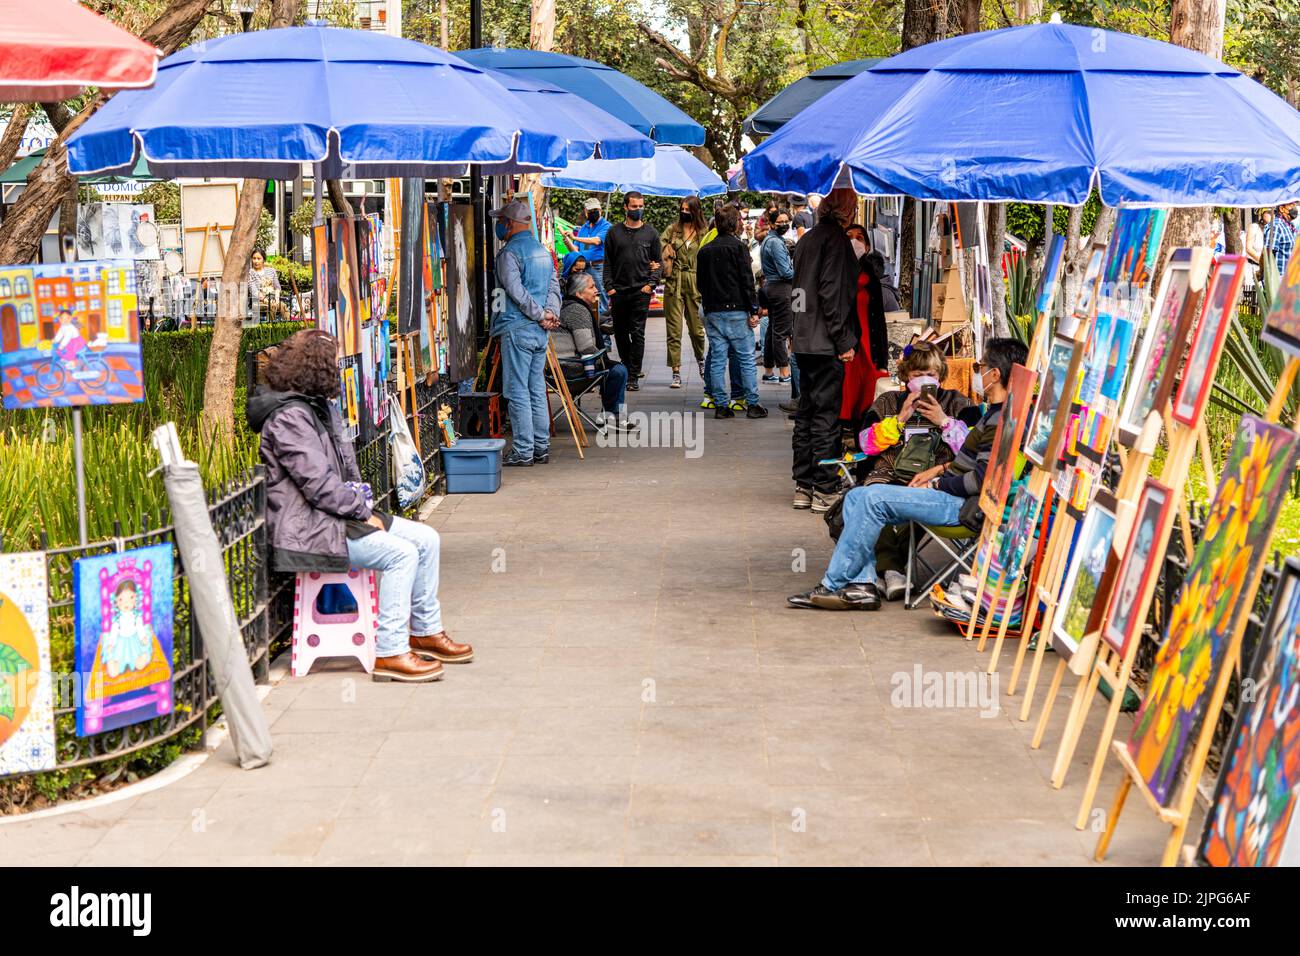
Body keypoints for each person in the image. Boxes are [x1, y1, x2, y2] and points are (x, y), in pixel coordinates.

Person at [248, 329, 472, 682]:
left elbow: (346, 470)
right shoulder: (289, 418)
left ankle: (425, 629)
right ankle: (390, 651)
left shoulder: (319, 407)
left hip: (337, 517)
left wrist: (362, 506)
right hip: (310, 530)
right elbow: (318, 485)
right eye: (332, 364)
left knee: (426, 539)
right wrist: (362, 512)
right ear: (317, 369)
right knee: (402, 554)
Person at [789, 337, 1028, 610]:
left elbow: (983, 478)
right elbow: (867, 444)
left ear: (994, 374)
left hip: (962, 503)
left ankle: (834, 584)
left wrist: (938, 476)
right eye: (918, 374)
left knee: (870, 499)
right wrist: (905, 425)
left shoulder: (994, 416)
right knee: (857, 497)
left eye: (980, 366)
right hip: (936, 484)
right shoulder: (993, 414)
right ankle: (863, 584)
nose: (977, 371)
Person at [851, 343, 975, 600]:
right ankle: (893, 570)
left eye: (929, 374)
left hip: (934, 478)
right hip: (888, 474)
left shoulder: (958, 403)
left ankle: (886, 571)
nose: (923, 380)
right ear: (907, 377)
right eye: (917, 375)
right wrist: (899, 419)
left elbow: (972, 450)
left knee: (917, 501)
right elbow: (865, 444)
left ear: (940, 376)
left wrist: (943, 420)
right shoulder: (888, 402)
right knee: (870, 496)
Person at [790, 188, 860, 514]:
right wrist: (843, 341)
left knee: (806, 414)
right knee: (824, 417)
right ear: (846, 210)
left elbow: (799, 292)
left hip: (805, 340)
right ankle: (825, 488)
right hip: (824, 344)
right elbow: (832, 295)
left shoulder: (806, 241)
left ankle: (803, 486)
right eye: (855, 206)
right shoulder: (837, 242)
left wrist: (796, 327)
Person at [490, 199, 561, 467]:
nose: (498, 226)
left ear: (509, 224)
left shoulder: (509, 254)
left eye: (500, 221)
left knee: (517, 390)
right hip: (539, 331)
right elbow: (554, 287)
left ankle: (523, 450)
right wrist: (550, 314)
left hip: (517, 328)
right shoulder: (543, 252)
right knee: (535, 389)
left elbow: (515, 291)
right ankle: (540, 447)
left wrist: (542, 314)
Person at [697, 204, 766, 420]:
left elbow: (700, 283)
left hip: (713, 310)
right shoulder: (739, 248)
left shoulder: (704, 251)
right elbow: (747, 280)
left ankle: (720, 404)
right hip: (737, 309)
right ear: (735, 224)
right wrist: (753, 310)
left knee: (717, 357)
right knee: (745, 358)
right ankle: (752, 403)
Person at [554, 272, 638, 434]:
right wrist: (603, 358)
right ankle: (613, 416)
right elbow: (586, 348)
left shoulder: (567, 306)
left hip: (558, 369)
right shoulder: (577, 311)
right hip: (571, 371)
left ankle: (609, 414)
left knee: (612, 367)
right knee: (618, 371)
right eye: (591, 287)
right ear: (579, 293)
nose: (596, 290)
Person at [603, 191, 661, 391]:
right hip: (618, 291)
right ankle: (627, 365)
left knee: (637, 333)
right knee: (620, 333)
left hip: (641, 291)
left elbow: (658, 263)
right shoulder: (613, 232)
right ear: (626, 207)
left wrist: (650, 284)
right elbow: (608, 262)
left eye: (641, 206)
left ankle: (633, 375)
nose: (638, 209)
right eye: (634, 206)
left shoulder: (651, 233)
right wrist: (609, 288)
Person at [839, 224, 890, 424]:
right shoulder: (835, 272)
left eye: (859, 238)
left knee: (868, 395)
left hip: (870, 344)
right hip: (846, 344)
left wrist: (883, 358)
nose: (854, 241)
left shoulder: (872, 278)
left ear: (867, 246)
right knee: (846, 392)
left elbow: (879, 319)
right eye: (849, 236)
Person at [661, 195, 707, 388]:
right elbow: (659, 246)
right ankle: (676, 371)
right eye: (682, 209)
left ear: (696, 211)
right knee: (674, 330)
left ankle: (701, 361)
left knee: (697, 330)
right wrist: (666, 249)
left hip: (696, 283)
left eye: (689, 210)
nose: (684, 213)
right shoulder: (673, 230)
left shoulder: (704, 232)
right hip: (674, 282)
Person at [760, 207, 795, 386]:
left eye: (786, 221)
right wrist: (800, 271)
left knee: (772, 330)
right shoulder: (775, 242)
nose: (784, 224)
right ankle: (784, 372)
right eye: (780, 222)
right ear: (773, 223)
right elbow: (786, 272)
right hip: (781, 289)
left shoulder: (769, 240)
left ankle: (768, 371)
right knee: (781, 331)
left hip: (771, 287)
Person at [562, 197, 612, 319]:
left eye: (595, 210)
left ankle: (604, 332)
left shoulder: (606, 226)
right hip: (583, 268)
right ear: (585, 211)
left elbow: (596, 241)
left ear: (600, 210)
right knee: (585, 298)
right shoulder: (584, 228)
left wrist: (574, 238)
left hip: (598, 267)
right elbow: (576, 251)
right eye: (590, 211)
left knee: (601, 299)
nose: (593, 213)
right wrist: (568, 242)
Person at [248, 249, 285, 321]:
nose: (256, 261)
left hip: (273, 298)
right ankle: (271, 328)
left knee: (283, 306)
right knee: (272, 306)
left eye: (259, 258)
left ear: (263, 259)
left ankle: (289, 328)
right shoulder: (250, 273)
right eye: (254, 258)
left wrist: (277, 299)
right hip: (258, 301)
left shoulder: (271, 271)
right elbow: (254, 291)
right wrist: (266, 300)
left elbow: (277, 287)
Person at [1263, 202, 1297, 277]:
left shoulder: (1290, 226)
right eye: (1291, 205)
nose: (1295, 207)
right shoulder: (1276, 226)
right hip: (1278, 279)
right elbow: (1268, 252)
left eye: (1295, 204)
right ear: (1282, 209)